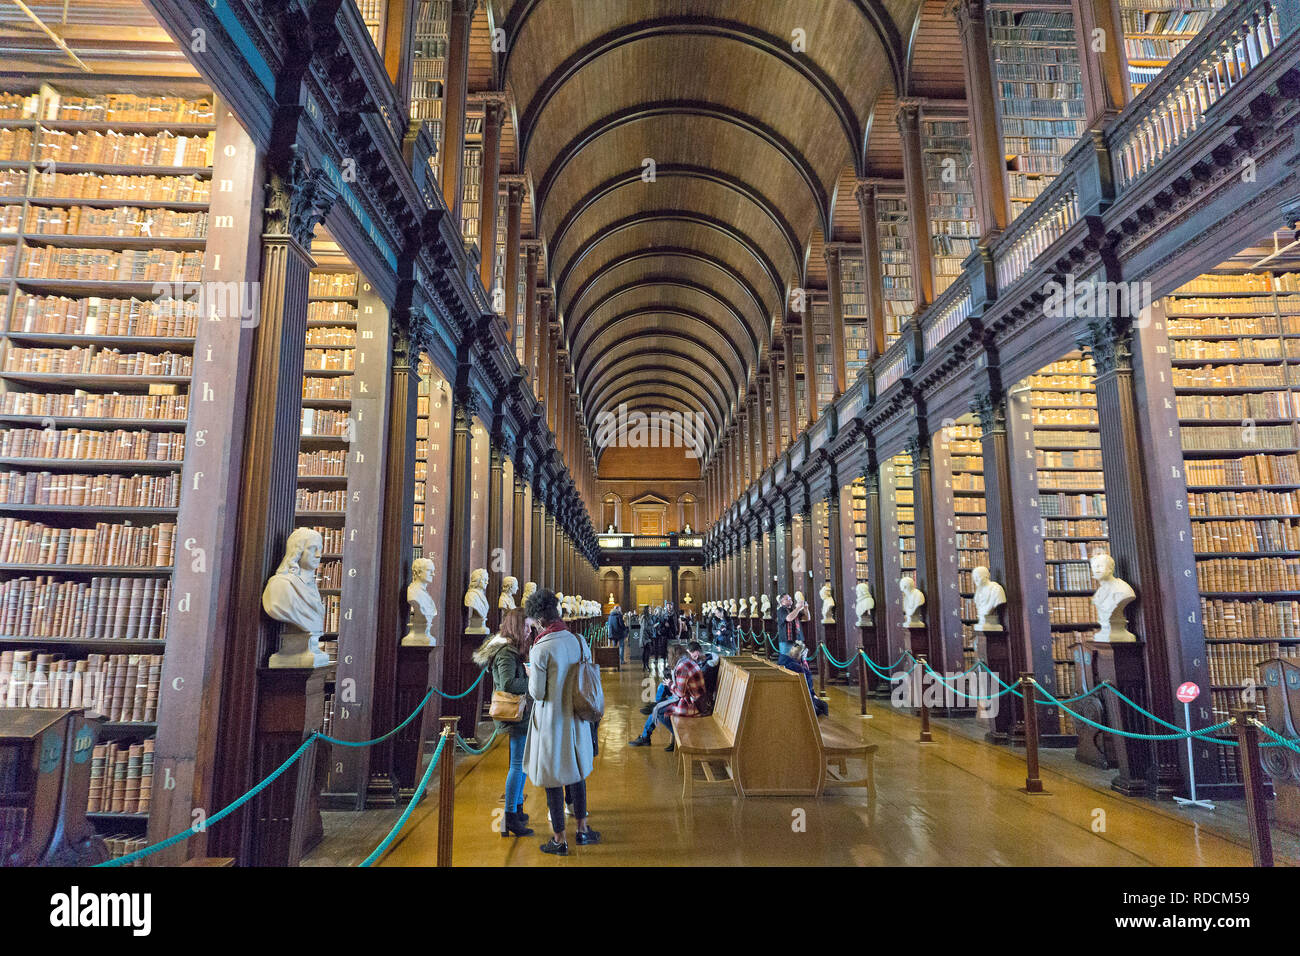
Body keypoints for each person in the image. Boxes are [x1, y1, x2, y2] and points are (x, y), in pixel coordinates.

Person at [523, 587, 600, 855]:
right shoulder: (578, 641)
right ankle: (582, 829)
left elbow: (537, 692)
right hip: (578, 719)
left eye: (532, 621)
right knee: (577, 773)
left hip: (551, 722)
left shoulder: (540, 648)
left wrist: (531, 672)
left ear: (540, 620)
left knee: (553, 778)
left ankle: (559, 839)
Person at [472, 608, 533, 838]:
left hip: (520, 713)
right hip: (514, 713)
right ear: (517, 626)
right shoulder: (506, 652)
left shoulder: (511, 649)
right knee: (518, 765)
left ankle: (517, 809)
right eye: (526, 626)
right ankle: (509, 817)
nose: (529, 631)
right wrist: (531, 678)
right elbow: (507, 683)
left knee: (521, 763)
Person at [628, 640, 706, 751]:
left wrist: (670, 684)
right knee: (660, 698)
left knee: (659, 710)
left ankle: (679, 737)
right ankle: (653, 716)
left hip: (693, 704)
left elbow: (680, 693)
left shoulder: (683, 666)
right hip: (692, 699)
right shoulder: (687, 662)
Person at [777, 593, 828, 717]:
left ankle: (811, 695)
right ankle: (806, 694)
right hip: (787, 643)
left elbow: (807, 618)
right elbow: (788, 618)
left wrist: (805, 609)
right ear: (782, 601)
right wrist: (798, 608)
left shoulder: (793, 610)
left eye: (790, 598)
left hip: (797, 641)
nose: (790, 600)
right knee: (792, 666)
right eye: (787, 599)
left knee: (801, 667)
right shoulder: (781, 610)